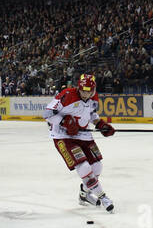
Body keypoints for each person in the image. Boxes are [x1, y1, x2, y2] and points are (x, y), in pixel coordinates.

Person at [43, 73, 115, 212]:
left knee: (97, 166)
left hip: (83, 134)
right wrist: (64, 121)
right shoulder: (67, 94)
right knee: (84, 167)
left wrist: (100, 124)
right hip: (62, 135)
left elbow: (92, 114)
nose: (85, 94)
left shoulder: (94, 97)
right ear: (78, 87)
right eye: (83, 91)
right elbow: (47, 114)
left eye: (89, 91)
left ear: (93, 90)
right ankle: (103, 197)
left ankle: (84, 194)